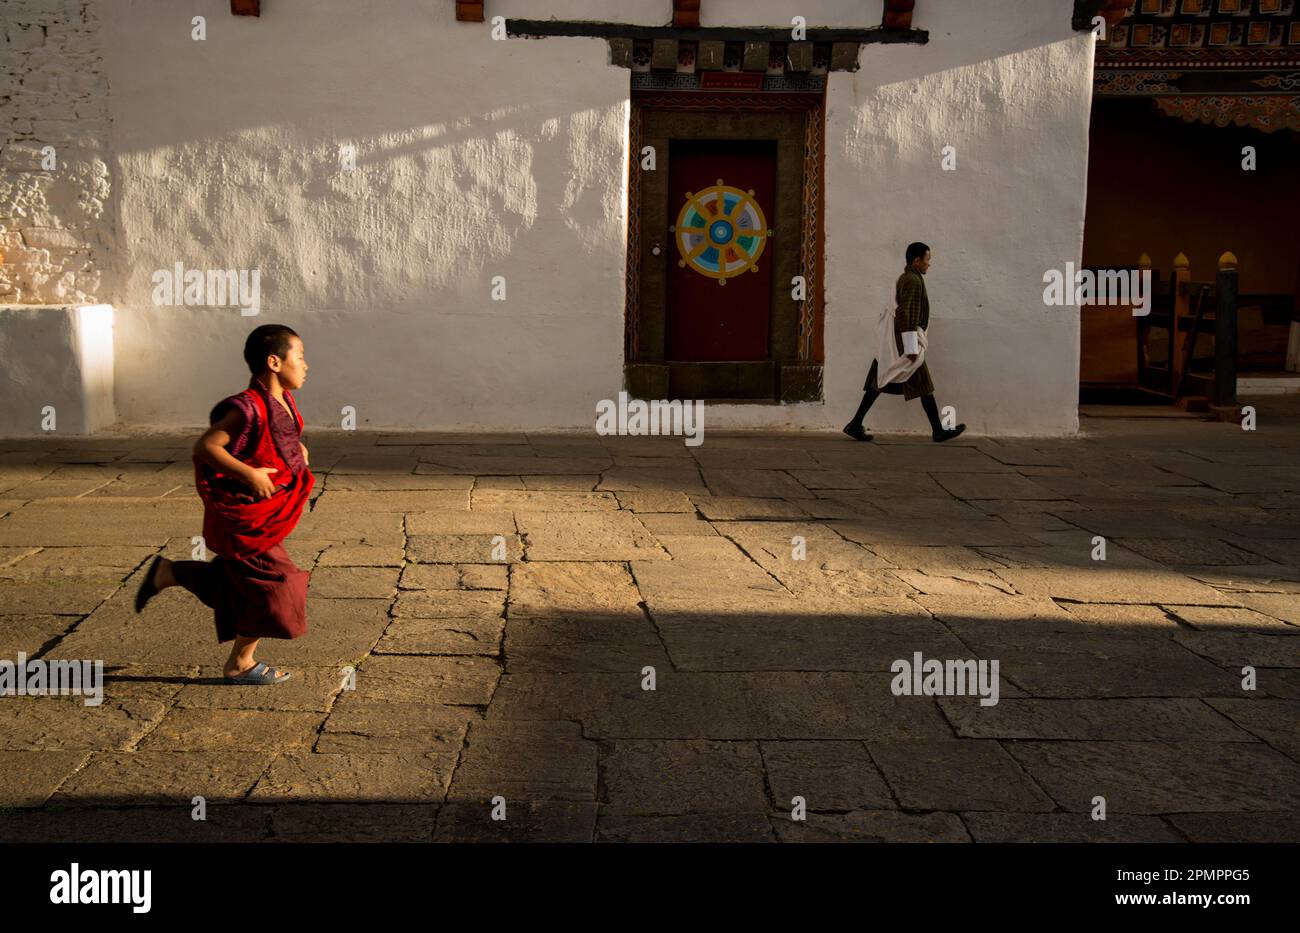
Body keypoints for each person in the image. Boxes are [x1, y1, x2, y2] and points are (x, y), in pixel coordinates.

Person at [134, 324, 314, 684]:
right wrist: (250, 475)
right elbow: (206, 447)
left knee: (241, 580)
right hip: (245, 514)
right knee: (280, 586)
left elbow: (281, 439)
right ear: (275, 362)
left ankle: (170, 573)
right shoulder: (246, 408)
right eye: (301, 356)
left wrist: (298, 454)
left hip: (266, 513)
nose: (306, 365)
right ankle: (240, 663)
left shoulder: (281, 401)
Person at [844, 242, 966, 443]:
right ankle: (938, 430)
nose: (929, 265)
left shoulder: (908, 277)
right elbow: (905, 313)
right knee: (906, 382)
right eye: (927, 260)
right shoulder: (912, 281)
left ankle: (856, 423)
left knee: (884, 379)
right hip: (905, 344)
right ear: (917, 261)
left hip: (899, 342)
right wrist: (910, 347)